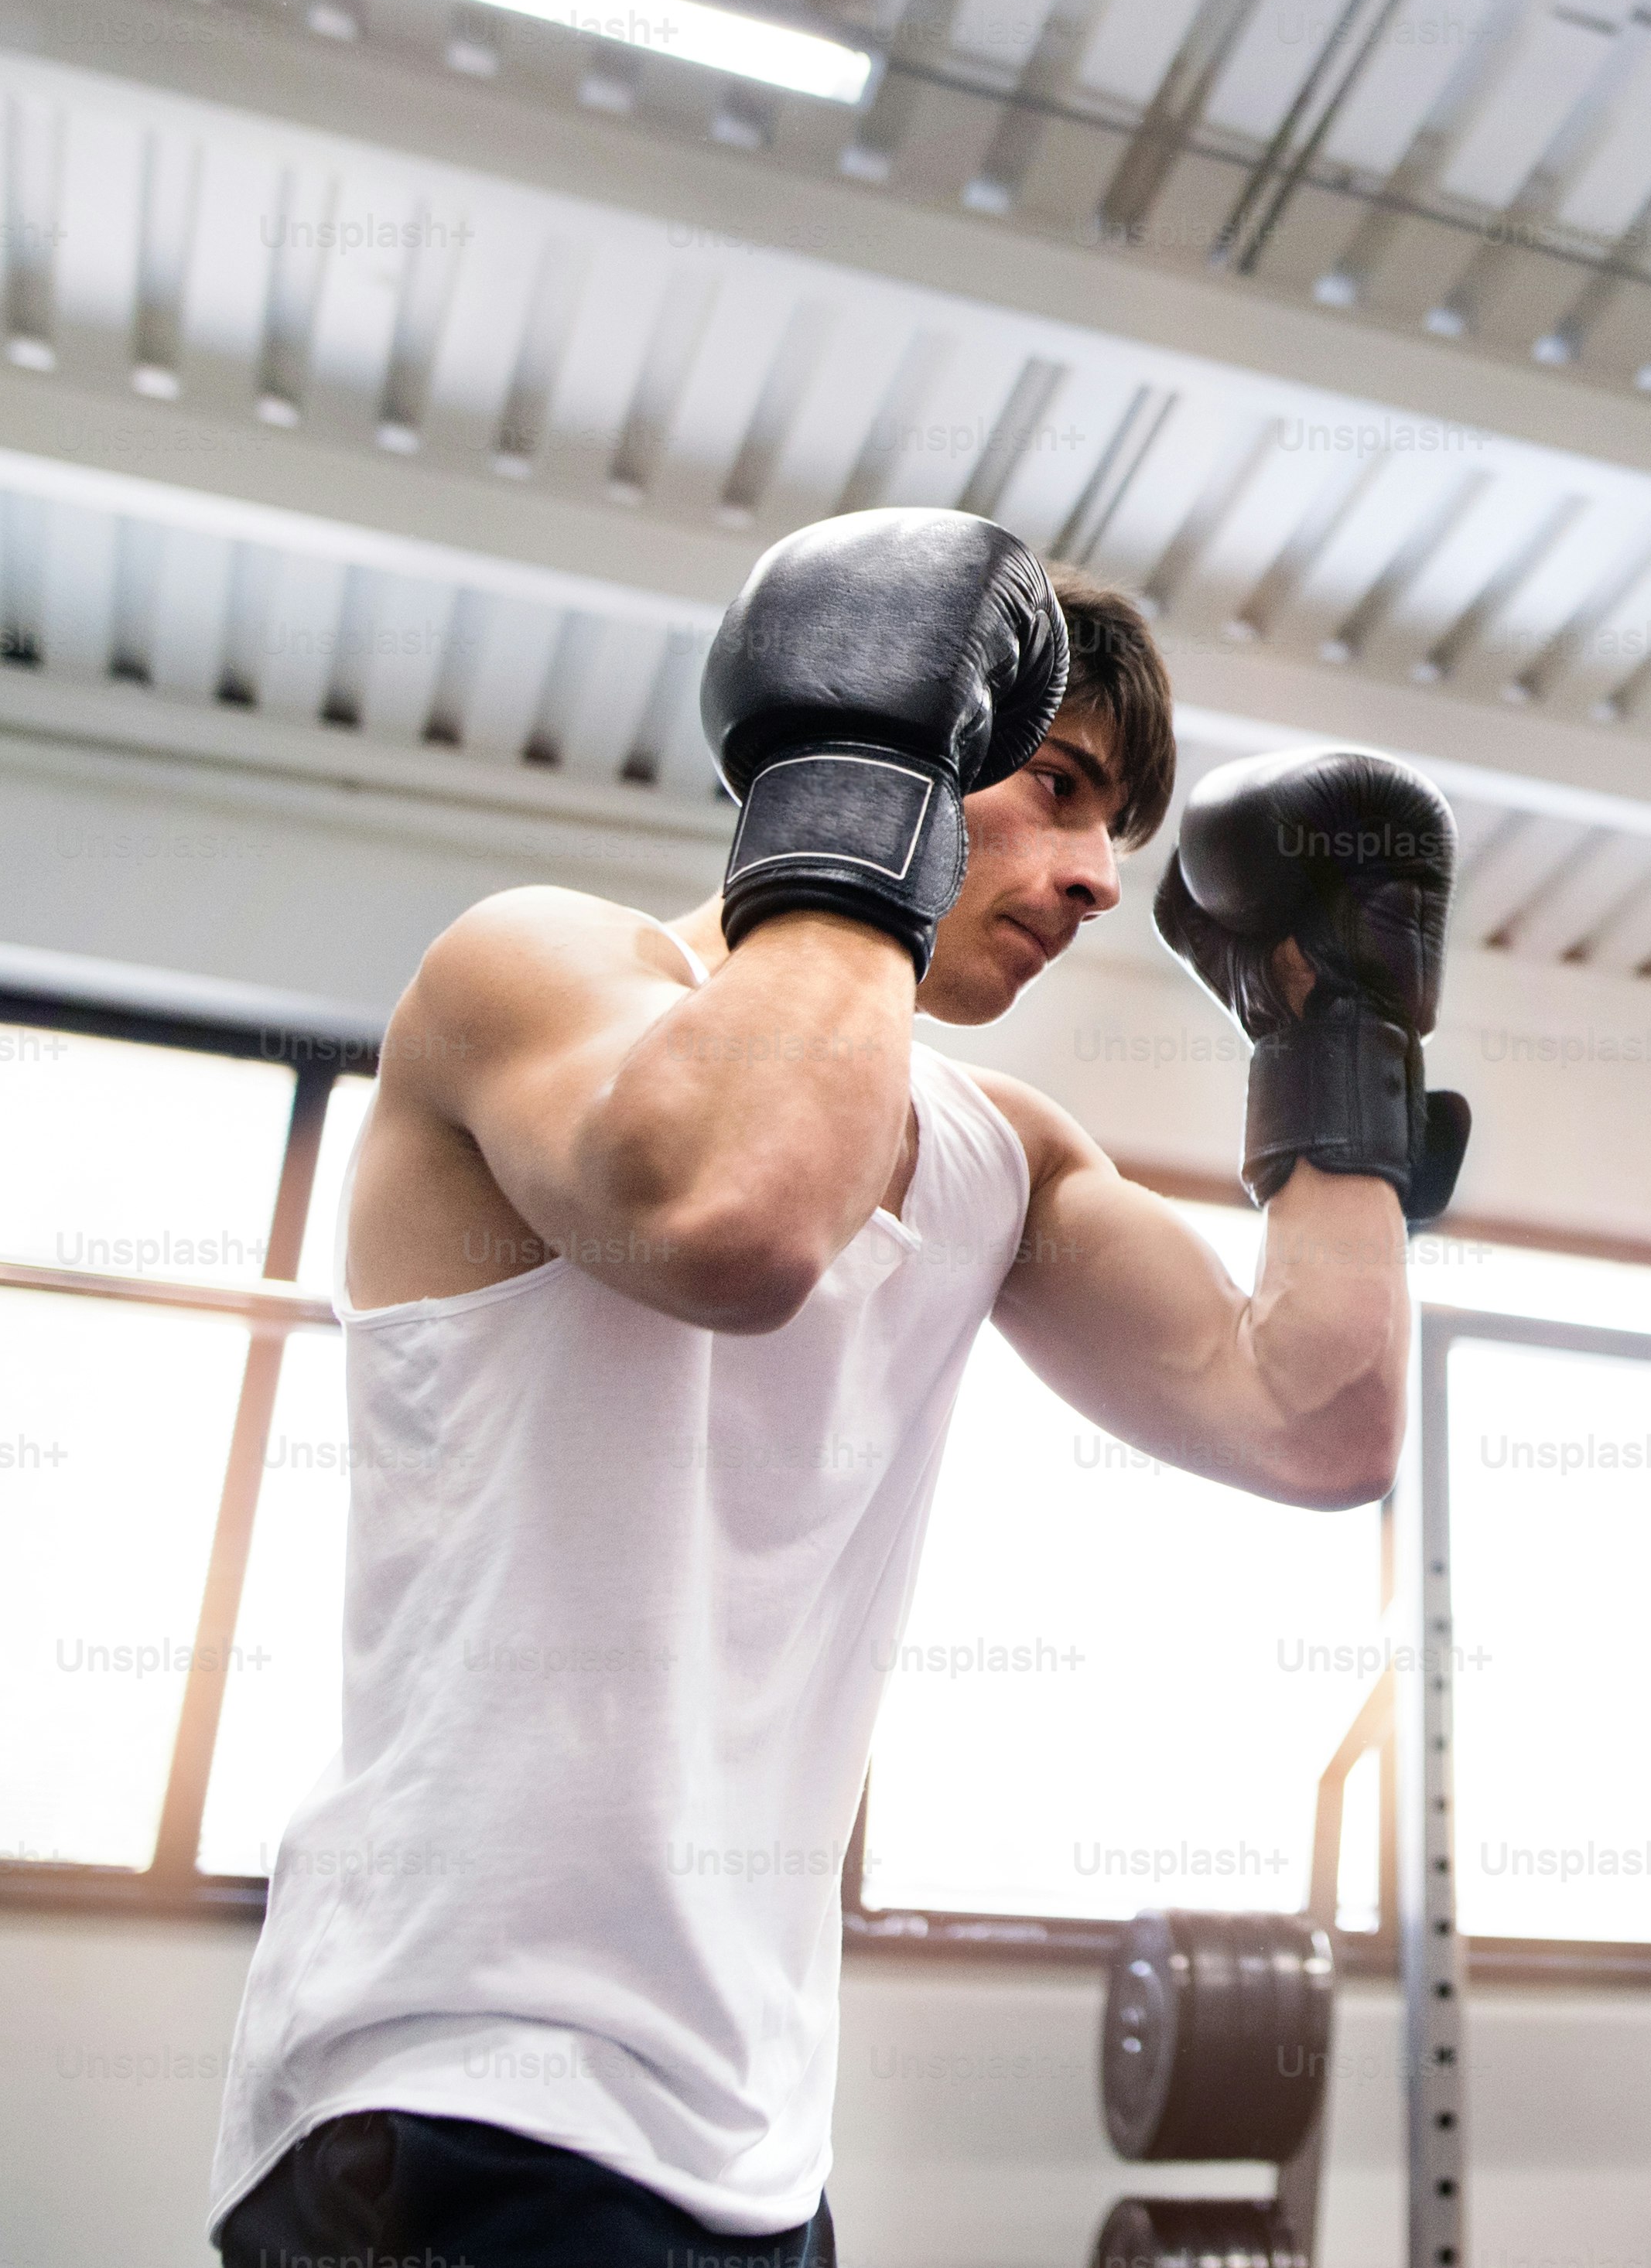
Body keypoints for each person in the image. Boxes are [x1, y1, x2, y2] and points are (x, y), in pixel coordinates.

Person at [206, 508, 1468, 2266]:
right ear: (930, 740)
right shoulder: (538, 972)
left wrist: (1334, 1039)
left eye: (1123, 829)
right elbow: (733, 1218)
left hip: (752, 2137)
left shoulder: (996, 1156)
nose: (1101, 876)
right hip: (455, 2082)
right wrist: (859, 786)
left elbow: (1317, 1424)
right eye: (1057, 783)